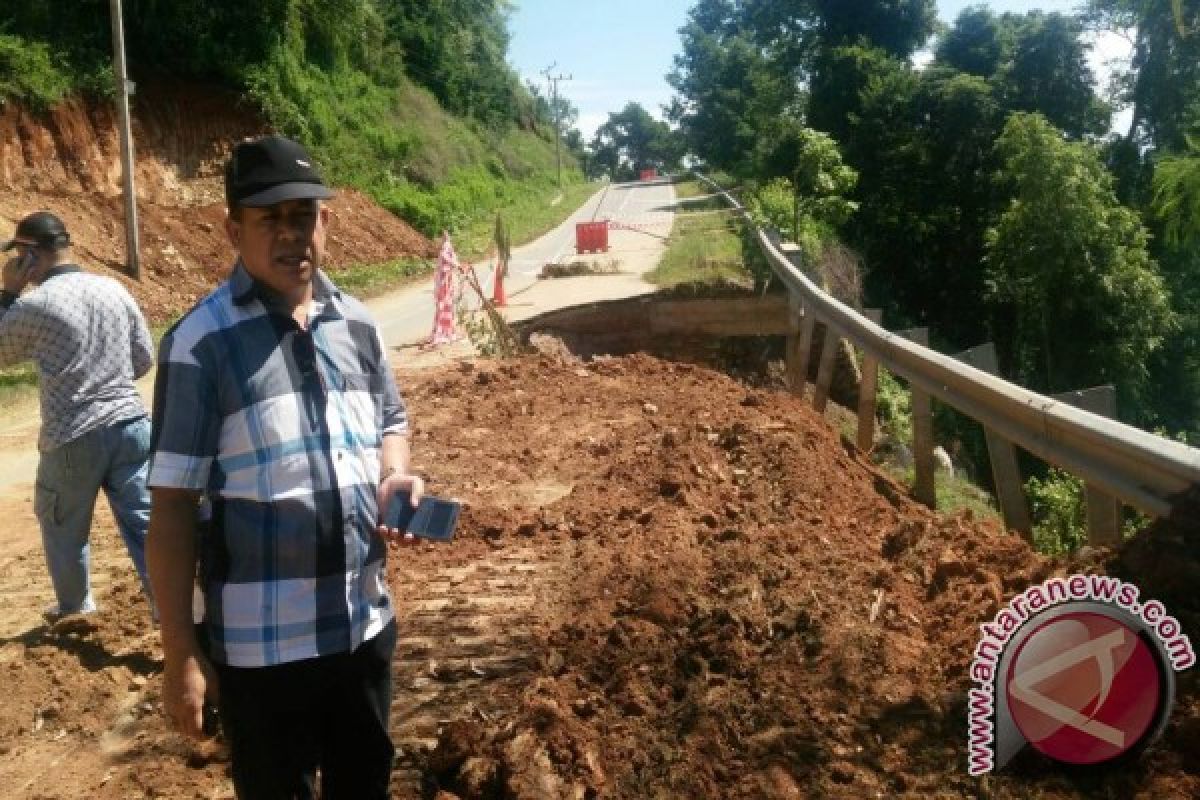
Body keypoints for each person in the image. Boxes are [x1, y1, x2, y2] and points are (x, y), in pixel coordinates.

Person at [146, 134, 424, 800]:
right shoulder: (200, 345)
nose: (290, 233)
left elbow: (391, 420)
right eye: (269, 218)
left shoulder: (357, 324)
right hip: (263, 653)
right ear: (232, 230)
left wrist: (393, 472)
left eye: (303, 215)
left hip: (363, 627)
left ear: (325, 221)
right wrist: (180, 651)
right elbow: (173, 507)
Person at [0, 211, 155, 619]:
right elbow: (143, 358)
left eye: (17, 255)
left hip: (72, 434)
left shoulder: (34, 304)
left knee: (62, 524)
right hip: (131, 423)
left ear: (31, 255)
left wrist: (7, 293)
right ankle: (174, 608)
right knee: (145, 522)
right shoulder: (113, 288)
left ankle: (75, 610)